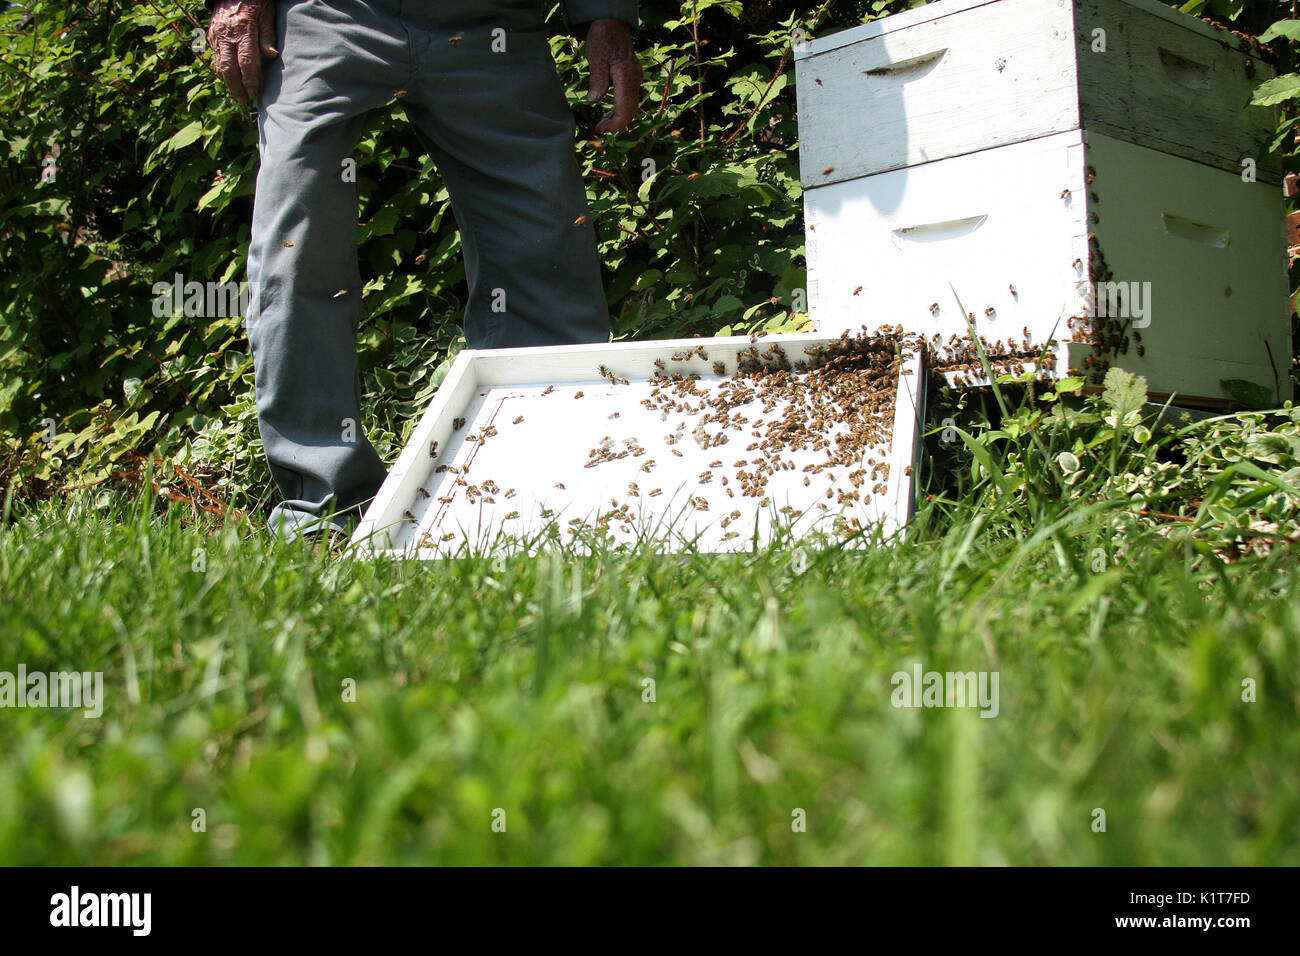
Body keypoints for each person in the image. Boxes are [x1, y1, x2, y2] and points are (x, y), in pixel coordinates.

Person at [204, 0, 642, 544]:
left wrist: (607, 11)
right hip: (328, 14)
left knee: (544, 243)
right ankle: (322, 513)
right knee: (295, 243)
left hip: (491, 18)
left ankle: (530, 489)